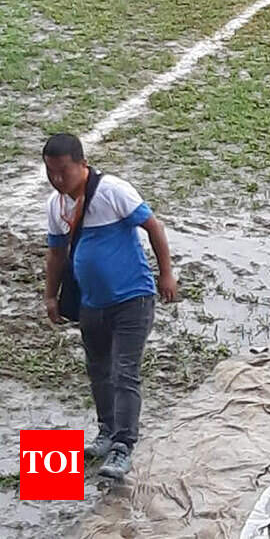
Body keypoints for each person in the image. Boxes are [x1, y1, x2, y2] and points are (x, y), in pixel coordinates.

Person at [42, 133, 177, 480]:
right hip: (91, 304)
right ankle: (106, 431)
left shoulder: (113, 191)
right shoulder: (56, 206)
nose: (58, 179)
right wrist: (50, 295)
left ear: (82, 165)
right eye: (51, 172)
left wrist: (166, 274)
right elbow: (57, 254)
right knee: (98, 369)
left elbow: (154, 227)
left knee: (124, 372)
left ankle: (123, 447)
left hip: (133, 300)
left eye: (64, 172)